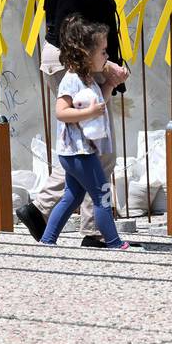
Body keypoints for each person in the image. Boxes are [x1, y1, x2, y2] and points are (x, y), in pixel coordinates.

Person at [16, 0, 130, 246]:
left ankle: (45, 211)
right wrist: (98, 64)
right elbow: (70, 23)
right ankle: (91, 228)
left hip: (77, 58)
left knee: (84, 145)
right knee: (96, 148)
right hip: (76, 60)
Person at [40, 15, 129, 249]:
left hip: (79, 151)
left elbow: (99, 101)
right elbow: (61, 112)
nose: (107, 57)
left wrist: (110, 84)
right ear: (86, 53)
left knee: (73, 196)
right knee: (102, 194)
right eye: (102, 52)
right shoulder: (71, 80)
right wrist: (89, 113)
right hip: (78, 152)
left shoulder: (87, 78)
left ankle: (48, 239)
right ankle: (113, 241)